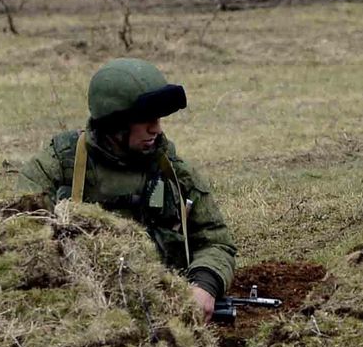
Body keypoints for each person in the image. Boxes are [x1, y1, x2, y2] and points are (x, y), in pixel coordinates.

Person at [18, 57, 235, 319]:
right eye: (145, 119)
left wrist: (204, 285)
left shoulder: (175, 173)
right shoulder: (56, 166)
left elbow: (216, 242)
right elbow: (20, 239)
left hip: (165, 312)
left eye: (158, 118)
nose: (156, 128)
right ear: (115, 123)